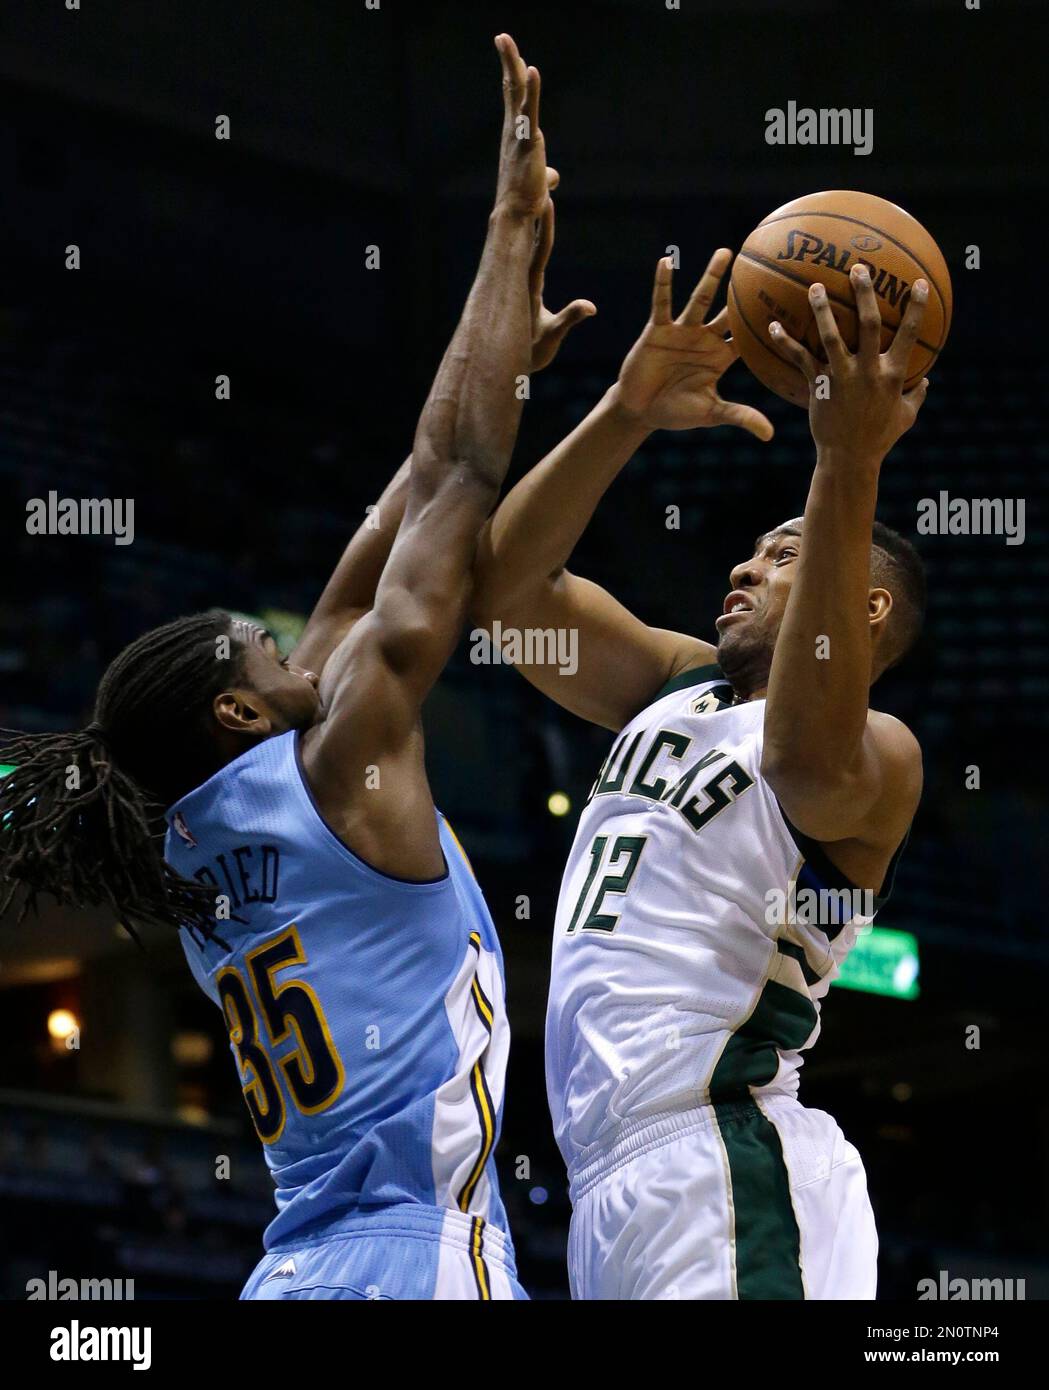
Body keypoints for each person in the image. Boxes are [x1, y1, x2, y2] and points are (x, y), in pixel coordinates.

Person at [0, 32, 584, 1302]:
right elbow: (459, 476)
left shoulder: (200, 844)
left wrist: (497, 344)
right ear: (234, 706)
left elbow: (403, 494)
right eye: (263, 645)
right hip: (419, 1255)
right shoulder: (344, 748)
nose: (289, 637)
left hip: (291, 1269)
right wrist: (504, 229)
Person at [473, 251, 930, 1299]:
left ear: (864, 609)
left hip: (728, 1153)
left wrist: (844, 460)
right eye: (753, 551)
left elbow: (802, 759)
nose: (742, 565)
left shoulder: (881, 752)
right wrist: (623, 411)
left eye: (784, 556)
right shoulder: (674, 682)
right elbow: (506, 596)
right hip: (606, 1184)